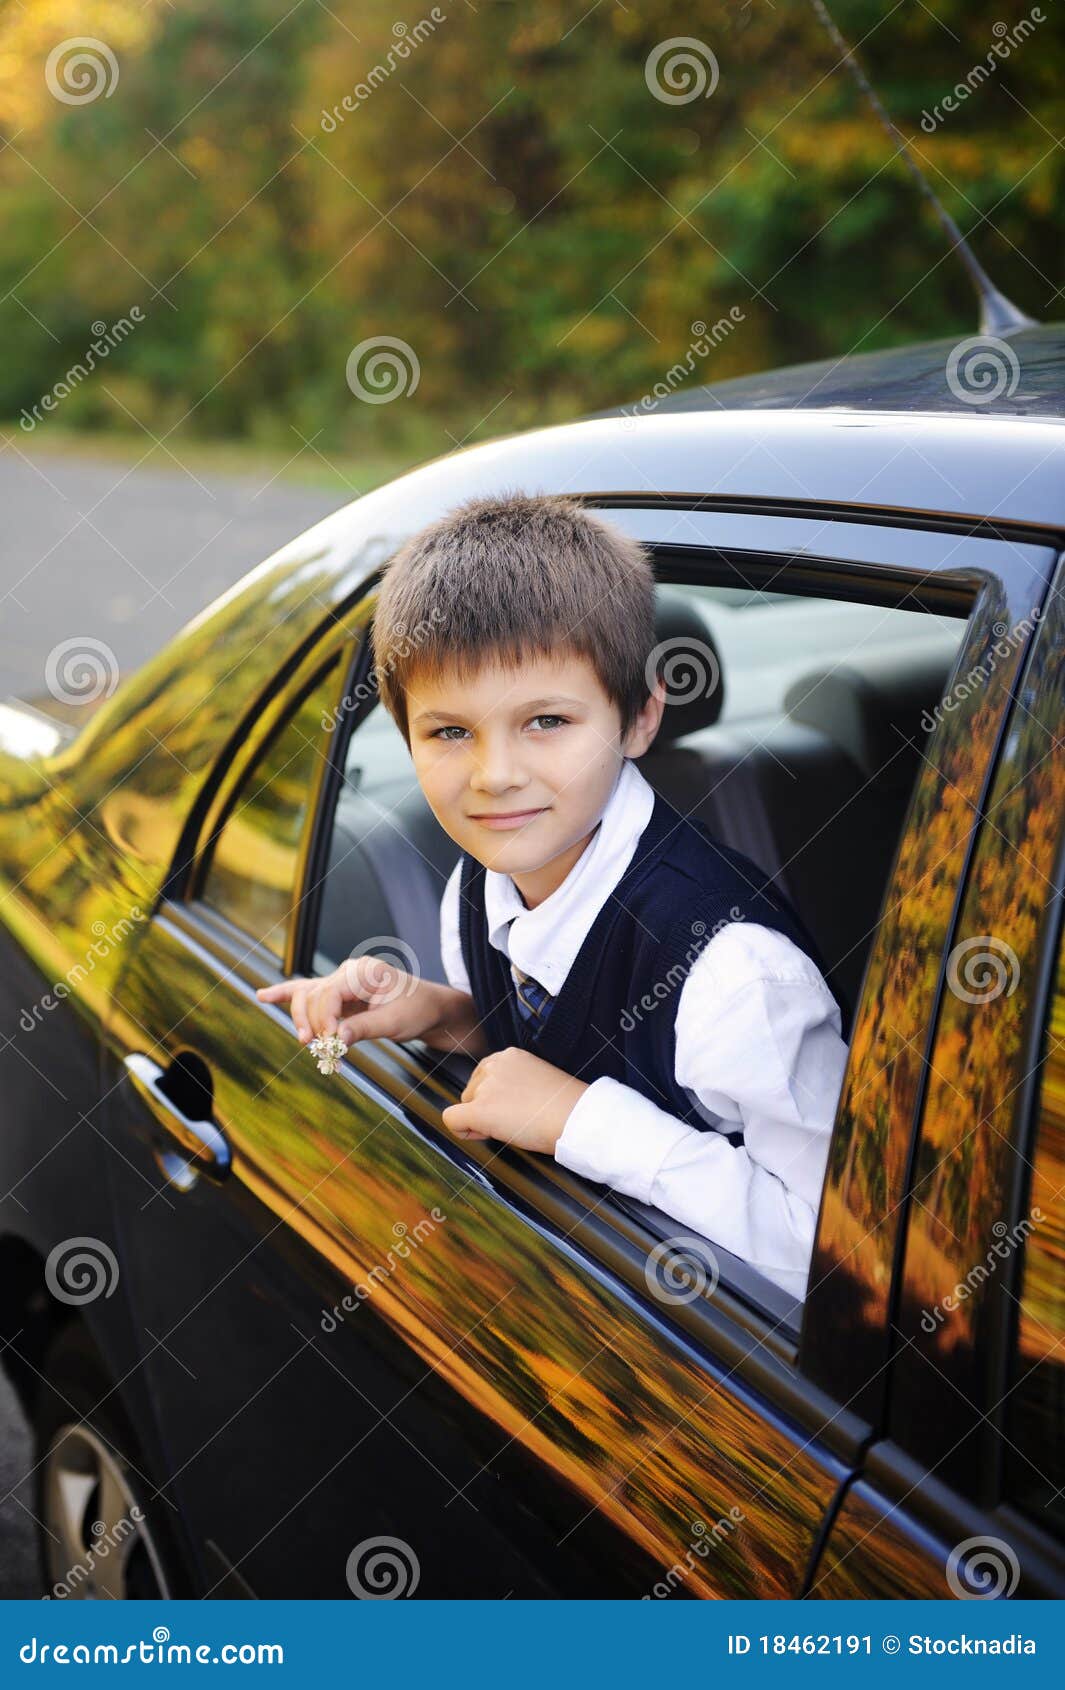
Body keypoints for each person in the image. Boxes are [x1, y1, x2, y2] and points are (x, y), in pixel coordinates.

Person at [258, 491, 849, 1299]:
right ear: (405, 736)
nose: (494, 775)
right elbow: (555, 1030)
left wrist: (583, 1122)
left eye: (545, 721)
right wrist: (442, 1014)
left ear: (639, 718)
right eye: (449, 731)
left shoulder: (735, 978)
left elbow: (835, 1256)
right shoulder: (478, 887)